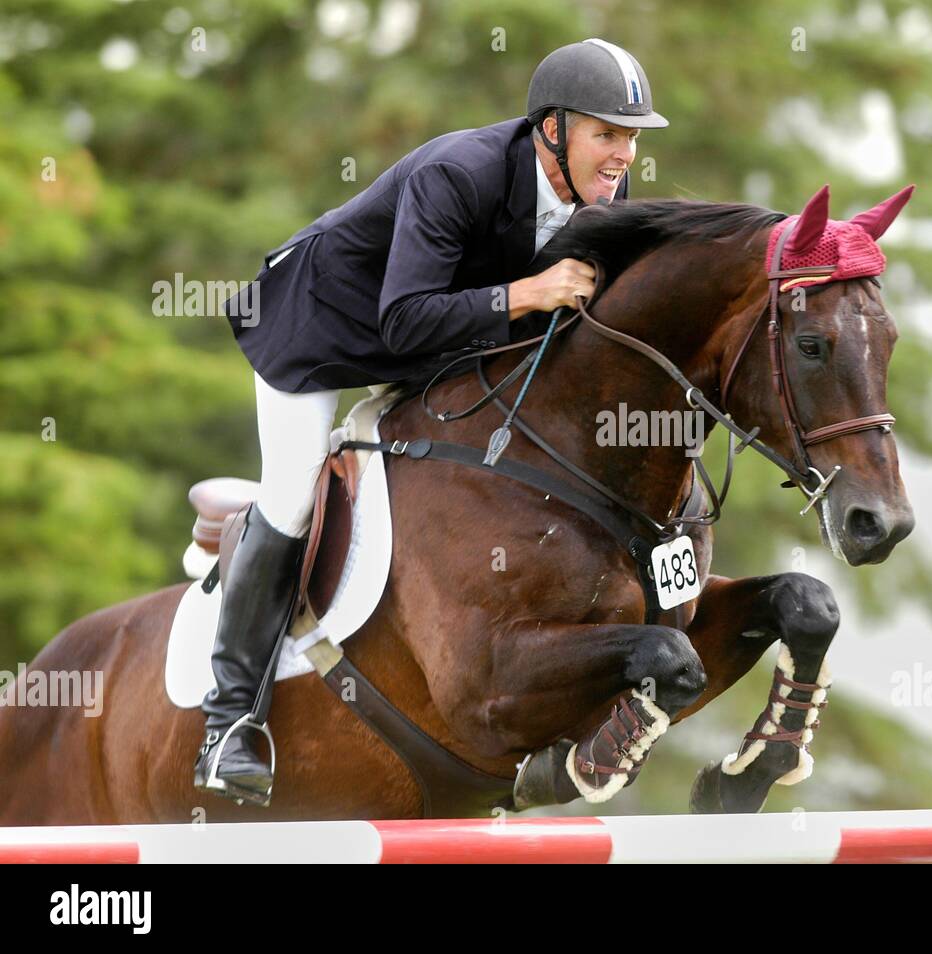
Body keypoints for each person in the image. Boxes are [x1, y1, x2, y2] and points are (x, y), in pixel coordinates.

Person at [196, 38, 669, 806]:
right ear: (552, 129)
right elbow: (408, 317)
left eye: (632, 136)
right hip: (320, 332)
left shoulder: (596, 192)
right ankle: (228, 725)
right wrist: (526, 292)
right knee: (290, 494)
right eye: (606, 134)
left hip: (431, 343)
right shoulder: (461, 173)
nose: (622, 153)